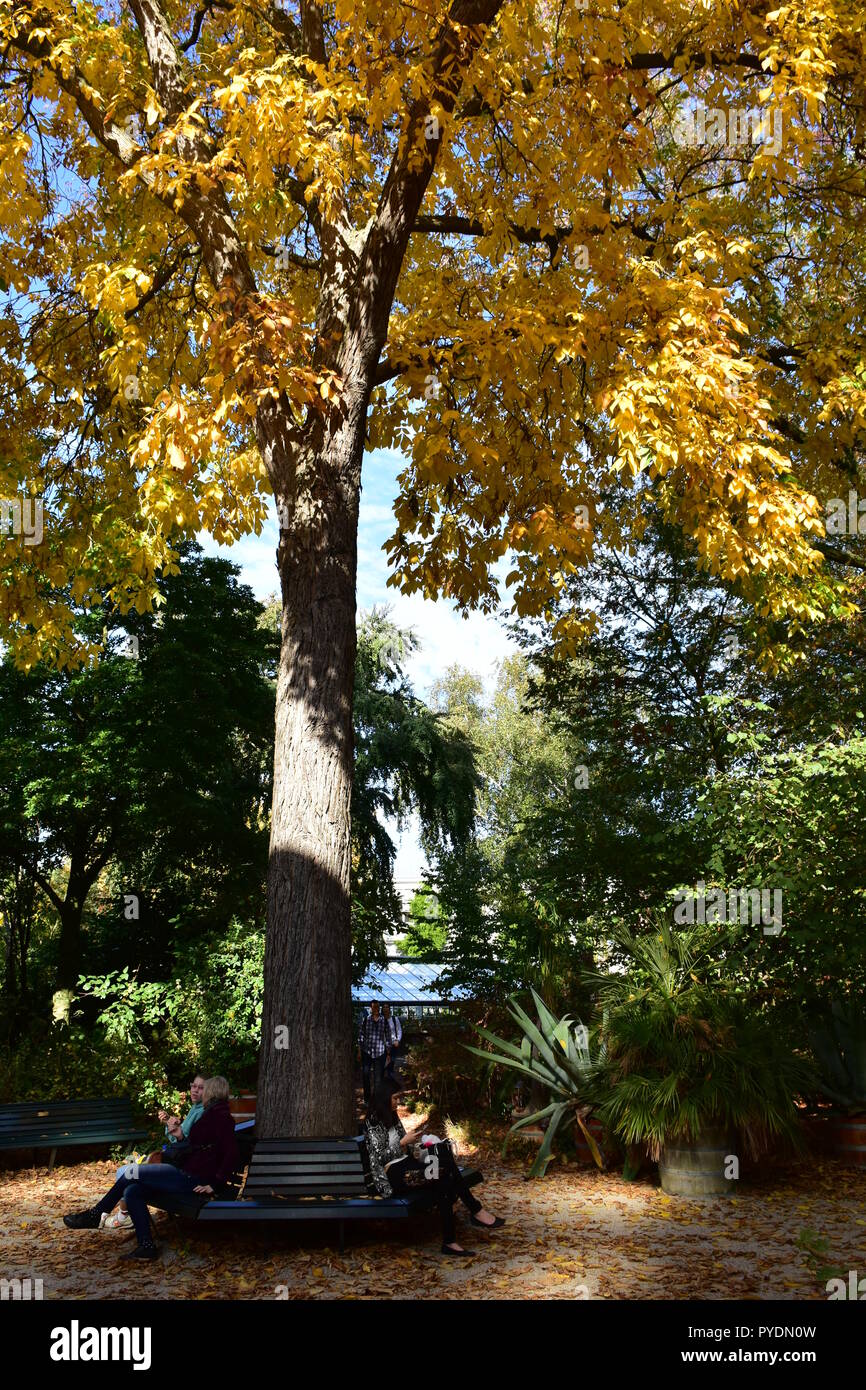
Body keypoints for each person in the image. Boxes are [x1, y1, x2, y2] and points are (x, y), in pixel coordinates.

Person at [63, 1076, 239, 1261]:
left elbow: (231, 1154)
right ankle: (146, 1246)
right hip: (185, 1174)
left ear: (211, 1092)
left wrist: (215, 1184)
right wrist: (181, 1137)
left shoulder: (221, 1118)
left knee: (131, 1173)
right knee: (132, 1190)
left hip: (191, 1179)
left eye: (205, 1090)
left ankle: (96, 1214)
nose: (200, 1094)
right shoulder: (211, 1114)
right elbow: (198, 1150)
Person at [363, 1077, 505, 1257]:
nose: (397, 1102)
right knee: (444, 1176)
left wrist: (418, 1142)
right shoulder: (373, 1121)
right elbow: (380, 1157)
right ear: (384, 1097)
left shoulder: (392, 1115)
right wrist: (401, 1143)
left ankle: (451, 1241)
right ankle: (473, 1214)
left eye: (398, 1098)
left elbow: (405, 1146)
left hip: (408, 1165)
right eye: (395, 1098)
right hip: (394, 1175)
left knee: (443, 1162)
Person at [102, 1072, 207, 1232]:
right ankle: (133, 1228)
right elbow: (180, 1141)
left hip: (180, 1172)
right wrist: (170, 1124)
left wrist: (178, 1133)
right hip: (175, 1165)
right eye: (193, 1086)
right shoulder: (195, 1109)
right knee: (131, 1184)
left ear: (209, 1091)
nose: (195, 1090)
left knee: (126, 1172)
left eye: (200, 1088)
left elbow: (189, 1146)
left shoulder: (203, 1112)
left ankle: (117, 1216)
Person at [358, 1000, 389, 1104]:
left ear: (379, 1008)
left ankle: (376, 1099)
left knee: (378, 1078)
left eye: (377, 1007)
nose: (376, 1008)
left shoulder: (384, 1020)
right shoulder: (366, 1020)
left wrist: (388, 1052)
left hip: (380, 1053)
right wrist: (359, 1051)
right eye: (374, 1007)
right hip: (367, 1052)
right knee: (365, 1075)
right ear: (371, 1008)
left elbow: (388, 1037)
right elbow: (361, 1036)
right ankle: (367, 1099)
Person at [383, 1004, 403, 1080]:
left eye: (387, 1007)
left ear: (389, 1009)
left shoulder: (394, 1019)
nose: (385, 1009)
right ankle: (384, 1080)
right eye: (384, 1007)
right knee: (384, 1062)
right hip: (383, 1045)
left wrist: (398, 1040)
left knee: (392, 1062)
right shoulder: (381, 1020)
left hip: (393, 1044)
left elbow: (399, 1030)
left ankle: (390, 1079)